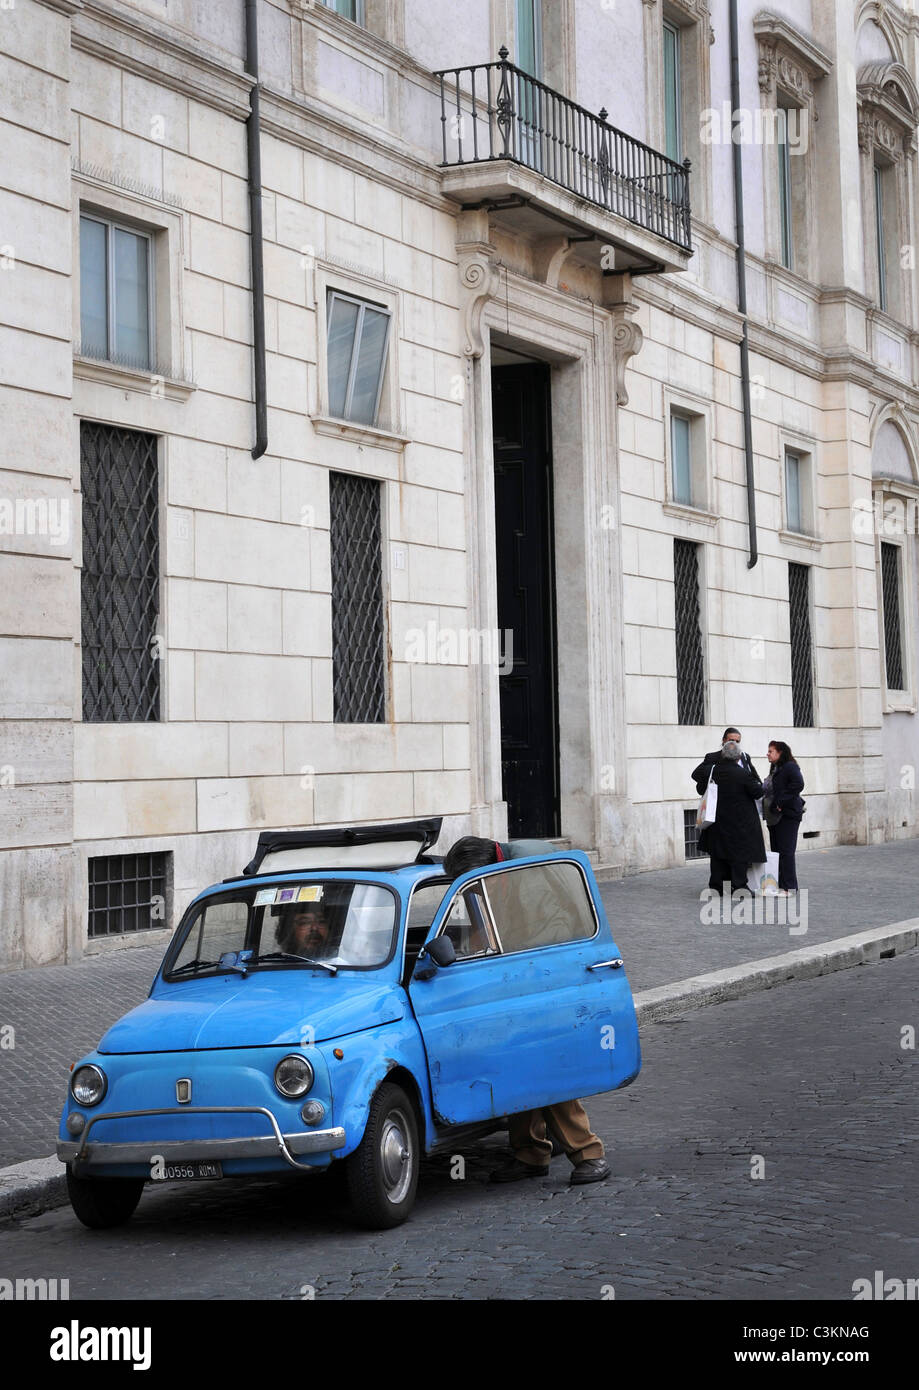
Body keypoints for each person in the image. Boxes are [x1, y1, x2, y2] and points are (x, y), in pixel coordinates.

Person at [441, 835, 611, 1187]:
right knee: (515, 1068)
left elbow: (546, 931)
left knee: (546, 1068)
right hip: (530, 975)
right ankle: (530, 1153)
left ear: (484, 869)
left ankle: (588, 1153)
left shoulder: (524, 871)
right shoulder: (500, 869)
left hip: (550, 975)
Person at [691, 740, 765, 894]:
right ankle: (739, 887)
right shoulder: (743, 774)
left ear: (723, 754)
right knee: (739, 855)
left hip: (716, 820)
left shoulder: (713, 770)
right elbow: (758, 792)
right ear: (738, 757)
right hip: (739, 822)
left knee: (717, 854)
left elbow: (695, 774)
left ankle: (717, 887)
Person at [763, 740, 805, 893]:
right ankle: (779, 884)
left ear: (780, 753)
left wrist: (781, 801)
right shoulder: (775, 767)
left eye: (771, 751)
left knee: (786, 851)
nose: (767, 754)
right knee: (777, 851)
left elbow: (798, 784)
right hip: (774, 815)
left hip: (787, 814)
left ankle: (789, 887)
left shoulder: (790, 767)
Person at [694, 727, 759, 783]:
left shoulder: (744, 756)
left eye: (737, 741)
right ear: (724, 740)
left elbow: (754, 777)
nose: (734, 744)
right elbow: (696, 775)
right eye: (731, 740)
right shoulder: (712, 757)